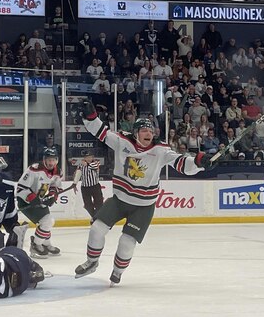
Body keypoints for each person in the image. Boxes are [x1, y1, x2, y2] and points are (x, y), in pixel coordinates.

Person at [73, 99, 216, 284]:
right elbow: (100, 131)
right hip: (120, 200)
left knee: (126, 242)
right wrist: (91, 116)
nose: (149, 133)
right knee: (96, 229)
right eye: (144, 130)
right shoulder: (122, 141)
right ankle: (92, 262)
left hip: (143, 206)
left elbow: (181, 163)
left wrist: (198, 162)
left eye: (151, 130)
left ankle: (117, 271)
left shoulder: (160, 150)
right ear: (136, 133)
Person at [14, 146, 64, 258]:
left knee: (47, 222)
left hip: (40, 200)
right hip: (26, 201)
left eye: (53, 160)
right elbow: (21, 188)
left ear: (57, 160)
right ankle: (36, 245)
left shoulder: (58, 171)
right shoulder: (34, 169)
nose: (51, 162)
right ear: (44, 160)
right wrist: (32, 198)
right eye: (49, 160)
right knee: (47, 221)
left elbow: (55, 186)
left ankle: (46, 244)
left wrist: (52, 196)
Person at [73, 149, 104, 221]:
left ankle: (95, 218)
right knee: (87, 205)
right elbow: (78, 174)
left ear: (93, 157)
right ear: (84, 158)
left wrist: (87, 164)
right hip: (85, 187)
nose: (89, 158)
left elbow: (95, 166)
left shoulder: (96, 162)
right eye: (87, 157)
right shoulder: (81, 165)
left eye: (90, 157)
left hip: (95, 186)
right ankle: (95, 217)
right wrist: (74, 183)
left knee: (99, 204)